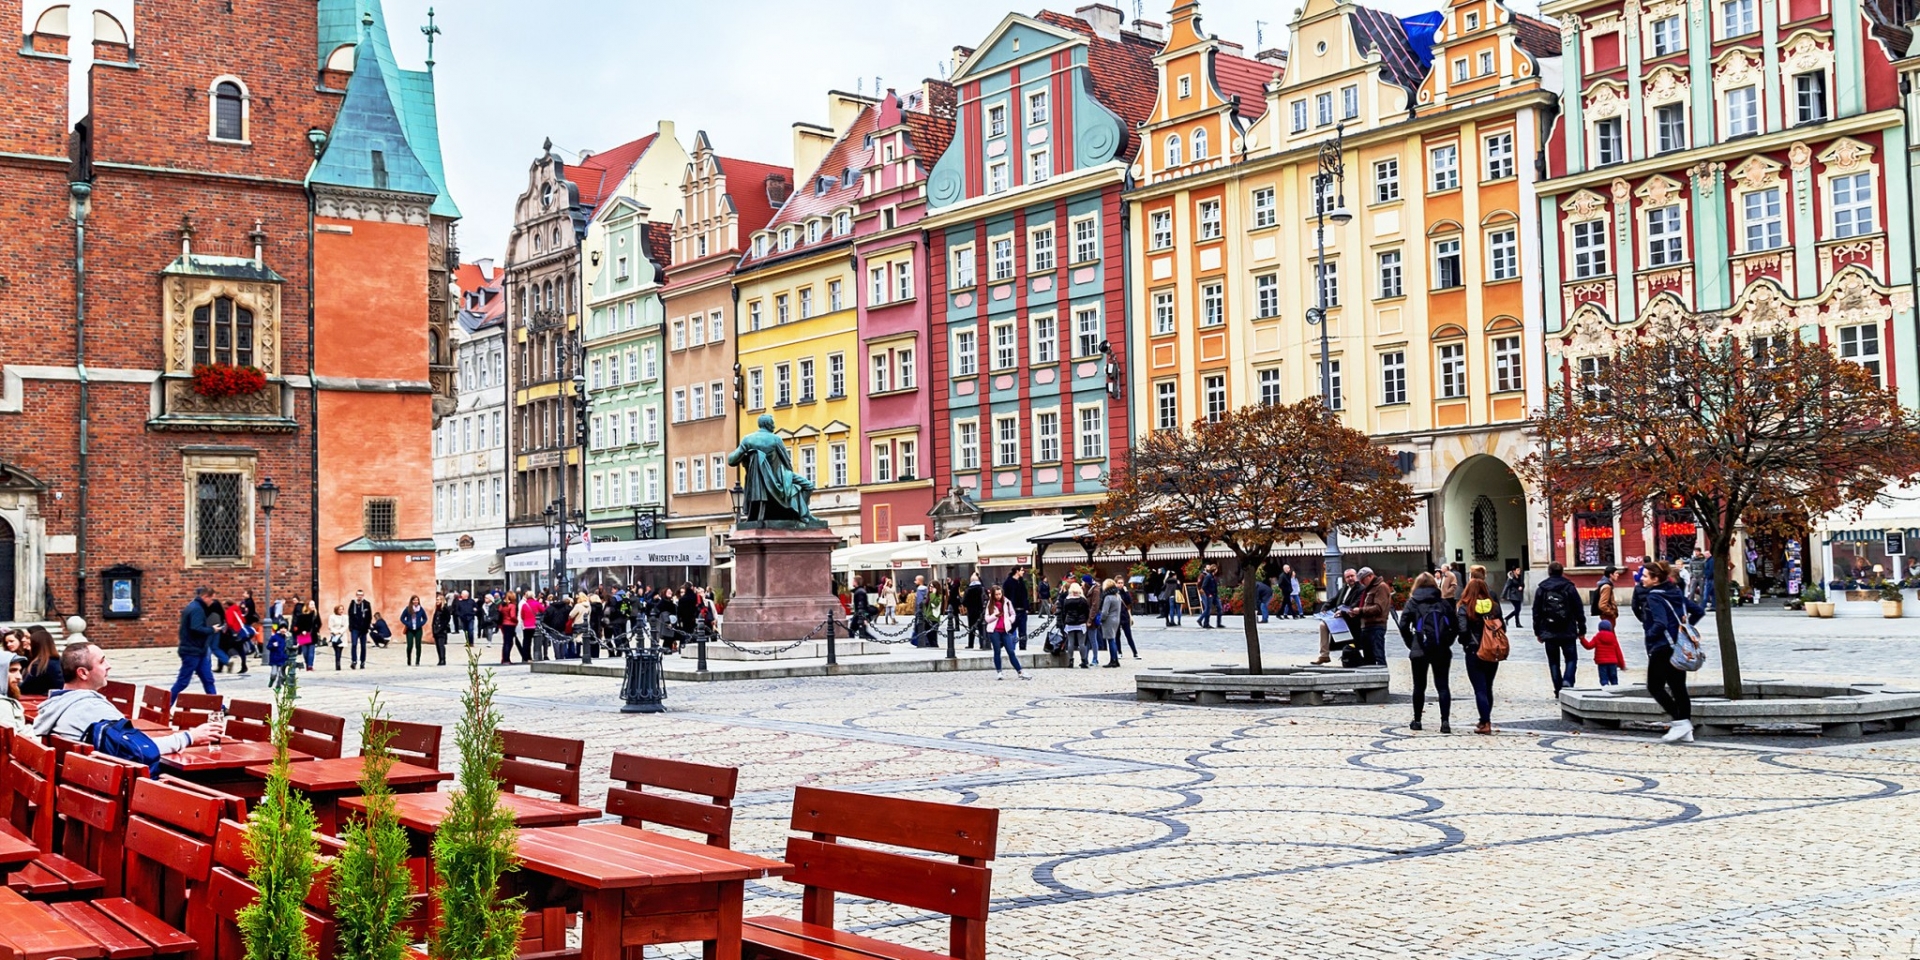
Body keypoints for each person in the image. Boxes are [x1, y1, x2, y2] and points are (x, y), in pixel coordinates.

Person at [41, 643, 224, 753]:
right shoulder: (93, 709)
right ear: (82, 673)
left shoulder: (56, 704)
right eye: (102, 661)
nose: (109, 666)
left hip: (80, 787)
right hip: (111, 794)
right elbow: (140, 748)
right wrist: (190, 736)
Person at [1643, 562, 1705, 742]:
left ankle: (1680, 722)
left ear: (1655, 579)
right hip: (1679, 647)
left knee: (1654, 687)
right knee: (1678, 688)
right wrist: (1684, 628)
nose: (1642, 579)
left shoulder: (1654, 597)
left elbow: (1660, 623)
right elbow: (1698, 611)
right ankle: (1686, 730)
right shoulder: (1675, 592)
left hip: (1662, 647)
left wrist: (1649, 636)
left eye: (1645, 576)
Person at [1398, 572, 1457, 733]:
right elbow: (1455, 625)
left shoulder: (1413, 602)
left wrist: (1412, 643)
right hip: (1441, 649)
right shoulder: (1443, 602)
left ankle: (1417, 720)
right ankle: (1445, 722)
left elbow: (1403, 625)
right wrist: (1447, 641)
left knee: (1419, 686)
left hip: (1420, 649)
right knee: (1443, 686)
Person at [1531, 561, 1587, 694]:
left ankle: (1558, 688)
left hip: (1549, 630)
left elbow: (1536, 612)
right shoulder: (1569, 587)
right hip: (1568, 629)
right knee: (1571, 659)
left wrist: (1537, 631)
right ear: (1562, 572)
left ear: (1549, 572)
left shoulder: (1542, 589)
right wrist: (1582, 628)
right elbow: (1579, 609)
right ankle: (1567, 681)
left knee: (1553, 662)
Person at [1457, 573, 1501, 735]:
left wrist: (1465, 642)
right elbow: (1502, 627)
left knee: (1479, 689)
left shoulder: (1465, 607)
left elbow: (1462, 630)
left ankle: (1486, 722)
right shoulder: (1494, 606)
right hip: (1492, 650)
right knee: (1488, 687)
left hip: (1474, 650)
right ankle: (1484, 719)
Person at [170, 586, 221, 698]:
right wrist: (212, 630)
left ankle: (217, 705)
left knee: (208, 679)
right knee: (183, 682)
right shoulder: (197, 609)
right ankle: (166, 705)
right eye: (212, 599)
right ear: (205, 597)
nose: (212, 602)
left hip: (199, 650)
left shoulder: (194, 606)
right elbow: (196, 628)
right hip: (192, 651)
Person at [1314, 569, 1363, 665]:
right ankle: (1324, 655)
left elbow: (1356, 603)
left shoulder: (1361, 589)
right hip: (1339, 616)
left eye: (1352, 576)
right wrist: (1325, 608)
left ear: (1356, 576)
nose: (1350, 578)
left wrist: (1342, 612)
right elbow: (1334, 599)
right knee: (1322, 625)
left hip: (1351, 618)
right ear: (1345, 579)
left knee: (1326, 624)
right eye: (1348, 577)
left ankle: (1347, 656)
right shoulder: (1344, 588)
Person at [1347, 567, 1393, 667]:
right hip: (1366, 626)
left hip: (1377, 625)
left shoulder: (1381, 587)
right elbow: (1366, 606)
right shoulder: (1368, 588)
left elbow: (1378, 608)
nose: (1362, 583)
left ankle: (1382, 674)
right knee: (1368, 657)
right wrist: (1357, 612)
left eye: (1363, 580)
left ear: (1370, 576)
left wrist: (1360, 610)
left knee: (1378, 655)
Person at [984, 585, 1029, 680]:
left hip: (1005, 630)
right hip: (994, 630)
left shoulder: (1007, 602)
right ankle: (999, 672)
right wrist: (995, 615)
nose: (998, 596)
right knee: (997, 651)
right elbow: (987, 618)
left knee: (1011, 651)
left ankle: (1020, 671)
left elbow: (1013, 614)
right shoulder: (990, 604)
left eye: (999, 594)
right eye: (996, 594)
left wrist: (1010, 620)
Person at [20, 625, 65, 695]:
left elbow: (24, 688)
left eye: (28, 638)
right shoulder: (59, 661)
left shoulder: (39, 665)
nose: (23, 640)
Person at [1583, 619, 1625, 687]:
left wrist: (1582, 639)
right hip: (1613, 662)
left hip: (1602, 662)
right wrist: (1622, 665)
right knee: (1613, 678)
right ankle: (1615, 688)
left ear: (1599, 628)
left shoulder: (1597, 637)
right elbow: (1618, 652)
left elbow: (1589, 646)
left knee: (1604, 679)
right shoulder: (1613, 638)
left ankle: (1605, 687)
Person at [1060, 582, 1093, 667]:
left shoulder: (1067, 600)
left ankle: (1070, 661)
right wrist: (1086, 620)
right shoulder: (1082, 600)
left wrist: (1065, 621)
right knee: (1081, 643)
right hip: (1081, 623)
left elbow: (1064, 612)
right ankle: (1084, 660)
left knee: (1070, 642)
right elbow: (1087, 611)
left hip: (1070, 623)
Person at [220, 596, 251, 675]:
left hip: (233, 633)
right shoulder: (237, 609)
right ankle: (243, 666)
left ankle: (224, 664)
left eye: (224, 604)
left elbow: (230, 623)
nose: (223, 606)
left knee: (224, 648)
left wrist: (225, 629)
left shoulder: (229, 611)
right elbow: (243, 620)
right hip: (239, 632)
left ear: (228, 604)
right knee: (240, 650)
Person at [1098, 579, 1126, 668]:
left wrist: (1101, 619)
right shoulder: (1117, 596)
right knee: (1113, 639)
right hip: (1116, 619)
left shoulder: (1108, 597)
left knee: (1110, 640)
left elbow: (1104, 612)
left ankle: (1113, 660)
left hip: (1109, 620)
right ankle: (1115, 660)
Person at [1, 653, 29, 735]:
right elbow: (15, 739)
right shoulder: (2, 705)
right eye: (12, 670)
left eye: (19, 671)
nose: (19, 677)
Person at [1003, 567, 1031, 650]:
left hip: (1022, 610)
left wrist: (1026, 607)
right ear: (1017, 571)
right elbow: (1005, 596)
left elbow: (1025, 595)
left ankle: (1023, 647)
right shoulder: (1008, 582)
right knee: (1010, 629)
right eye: (1022, 570)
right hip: (1013, 610)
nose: (1023, 572)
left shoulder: (1021, 582)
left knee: (1023, 631)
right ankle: (1007, 646)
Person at [346, 589, 373, 670]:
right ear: (356, 595)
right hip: (355, 628)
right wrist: (351, 627)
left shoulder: (367, 604)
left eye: (361, 595)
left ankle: (362, 662)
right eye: (358, 595)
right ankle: (354, 661)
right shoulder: (352, 603)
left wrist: (367, 627)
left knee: (363, 646)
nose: (359, 597)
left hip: (363, 629)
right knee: (354, 644)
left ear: (363, 596)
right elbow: (350, 615)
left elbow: (369, 617)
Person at [292, 598, 320, 671]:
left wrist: (316, 629)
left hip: (312, 635)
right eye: (311, 604)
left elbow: (319, 623)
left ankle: (310, 666)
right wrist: (302, 631)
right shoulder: (302, 615)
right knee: (305, 652)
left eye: (314, 604)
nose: (313, 606)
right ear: (307, 606)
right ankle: (307, 663)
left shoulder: (315, 614)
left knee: (311, 652)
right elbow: (297, 625)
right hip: (303, 636)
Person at [400, 596, 428, 667]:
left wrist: (420, 624)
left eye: (417, 600)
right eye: (414, 600)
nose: (416, 601)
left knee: (418, 645)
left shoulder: (421, 609)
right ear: (412, 601)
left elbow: (425, 618)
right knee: (410, 645)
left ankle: (417, 661)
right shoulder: (408, 609)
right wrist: (407, 623)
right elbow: (402, 618)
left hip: (418, 629)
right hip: (410, 630)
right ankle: (409, 659)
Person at [265, 623, 291, 689]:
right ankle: (272, 680)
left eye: (285, 628)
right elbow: (268, 646)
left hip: (283, 658)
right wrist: (273, 645)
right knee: (274, 673)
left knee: (280, 674)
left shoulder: (287, 637)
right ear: (279, 629)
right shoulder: (274, 637)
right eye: (282, 628)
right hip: (275, 658)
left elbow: (291, 645)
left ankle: (278, 686)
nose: (283, 630)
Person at [963, 574, 985, 650]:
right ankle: (983, 644)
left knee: (971, 628)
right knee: (982, 628)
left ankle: (970, 644)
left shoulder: (968, 590)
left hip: (971, 612)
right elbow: (986, 599)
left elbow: (964, 602)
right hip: (981, 611)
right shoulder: (982, 589)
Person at [430, 595, 452, 666]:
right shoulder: (437, 609)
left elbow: (447, 619)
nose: (437, 601)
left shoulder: (445, 609)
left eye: (438, 600)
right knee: (437, 646)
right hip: (436, 630)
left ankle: (443, 659)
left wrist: (441, 627)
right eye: (436, 600)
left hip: (442, 630)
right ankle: (440, 659)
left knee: (441, 645)